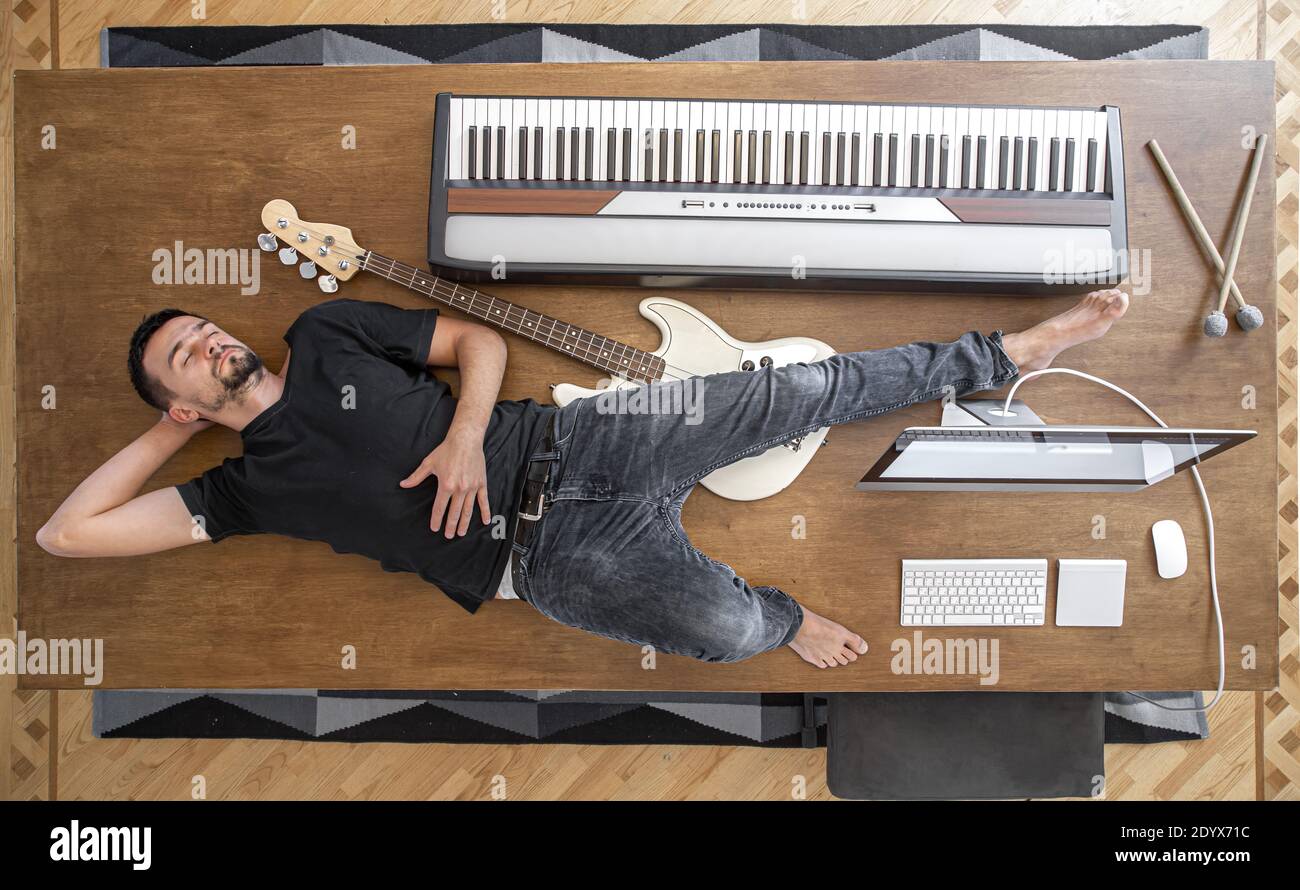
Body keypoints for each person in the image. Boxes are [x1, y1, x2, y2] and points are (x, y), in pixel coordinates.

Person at [37, 289, 1129, 669]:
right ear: (184, 400)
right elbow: (65, 537)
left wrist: (466, 436)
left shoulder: (323, 332)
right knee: (721, 631)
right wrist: (177, 433)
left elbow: (480, 346)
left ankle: (1004, 354)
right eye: (187, 353)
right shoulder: (237, 492)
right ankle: (784, 615)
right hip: (542, 556)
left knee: (795, 385)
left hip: (582, 444)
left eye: (205, 325)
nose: (213, 338)